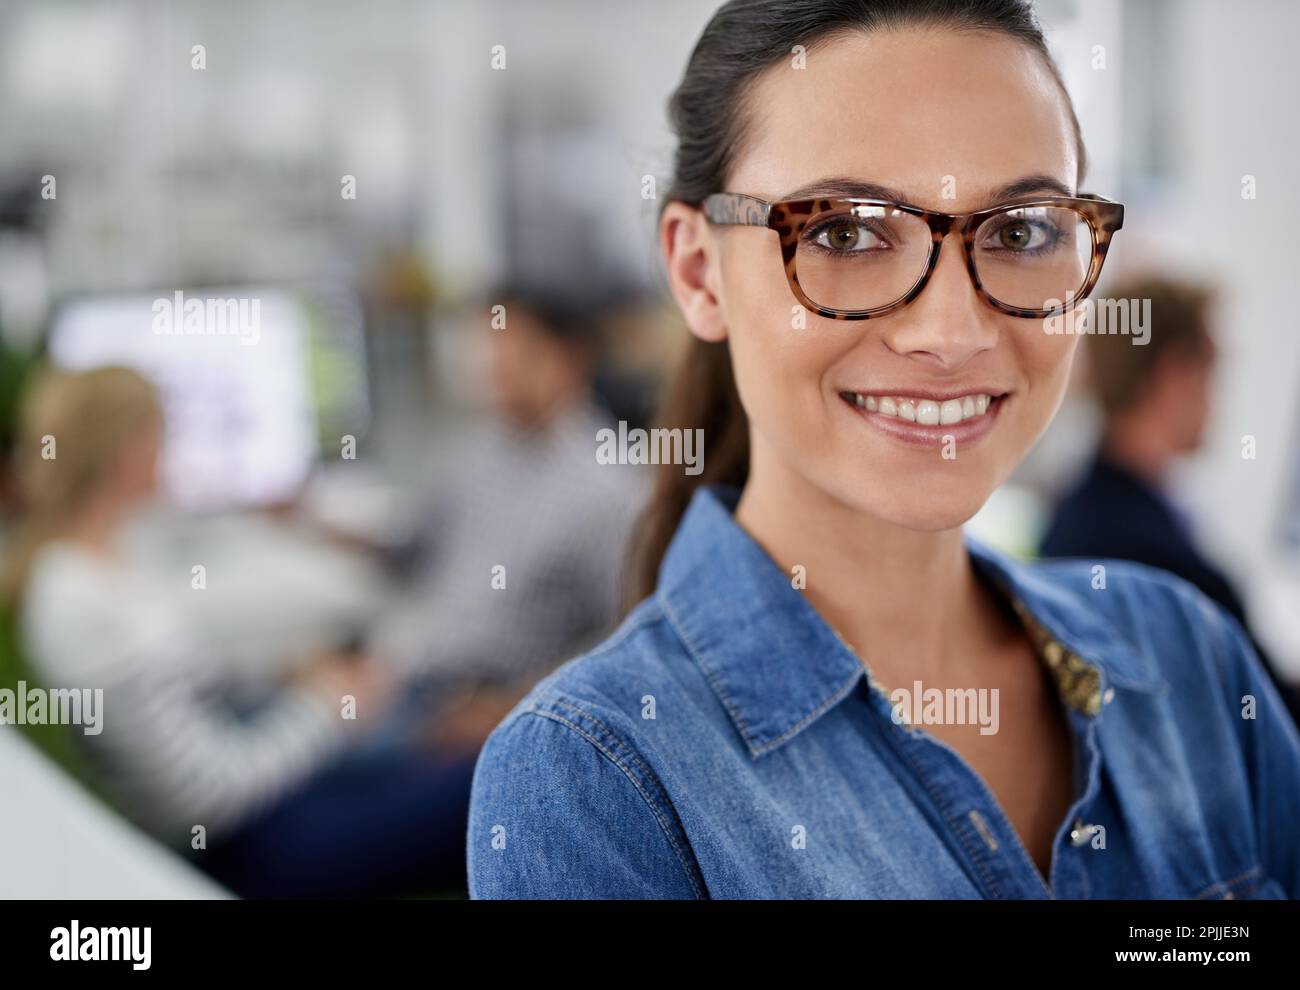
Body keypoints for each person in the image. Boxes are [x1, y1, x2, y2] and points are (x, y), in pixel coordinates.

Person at [467, 0, 1300, 899]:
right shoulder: (597, 778)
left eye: (1021, 232)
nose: (952, 332)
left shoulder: (1186, 657)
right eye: (845, 232)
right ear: (699, 270)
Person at [2, 366, 476, 898]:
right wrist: (322, 708)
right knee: (478, 783)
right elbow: (202, 799)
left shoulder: (104, 559)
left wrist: (288, 675)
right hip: (239, 848)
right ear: (130, 450)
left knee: (429, 728)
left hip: (256, 795)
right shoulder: (77, 602)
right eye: (163, 436)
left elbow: (183, 690)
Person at [373, 286, 651, 741]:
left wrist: (514, 705)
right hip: (414, 680)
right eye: (486, 347)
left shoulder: (608, 488)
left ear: (570, 357)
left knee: (306, 800)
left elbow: (625, 637)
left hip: (497, 711)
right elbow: (412, 556)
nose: (494, 365)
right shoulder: (475, 454)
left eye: (514, 348)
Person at [1039, 275, 1300, 728]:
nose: (1220, 400)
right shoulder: (1150, 555)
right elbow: (1265, 719)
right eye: (1213, 369)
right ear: (1176, 373)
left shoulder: (1085, 513)